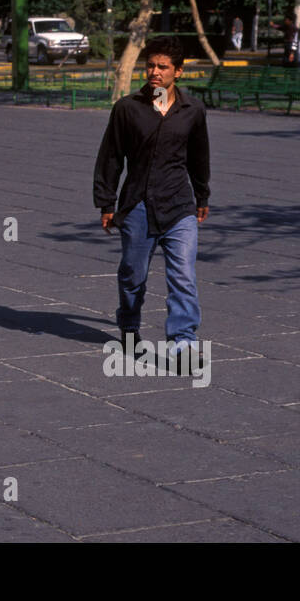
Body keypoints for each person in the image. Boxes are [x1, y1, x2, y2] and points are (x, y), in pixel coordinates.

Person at [93, 36, 210, 369]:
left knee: (183, 275)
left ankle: (183, 341)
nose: (155, 72)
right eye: (151, 65)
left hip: (179, 206)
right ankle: (129, 326)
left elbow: (199, 157)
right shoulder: (128, 108)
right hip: (138, 206)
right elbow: (111, 157)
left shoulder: (192, 110)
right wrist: (107, 203)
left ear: (178, 71)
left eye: (163, 67)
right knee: (133, 275)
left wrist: (202, 194)